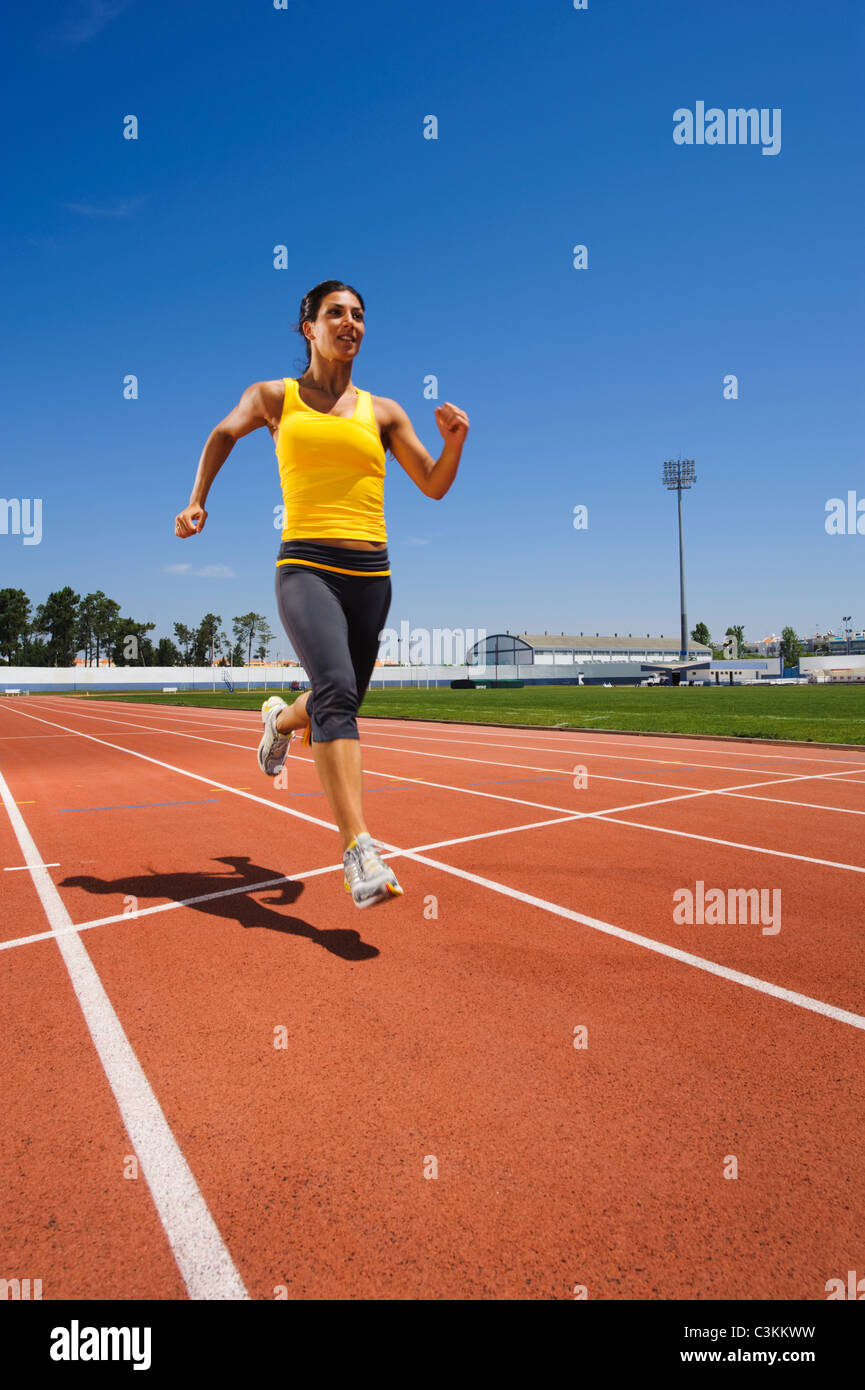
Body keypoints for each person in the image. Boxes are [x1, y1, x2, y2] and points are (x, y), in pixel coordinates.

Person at [174, 279, 469, 907]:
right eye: (336, 313)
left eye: (359, 315)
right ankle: (359, 851)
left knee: (341, 695)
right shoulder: (275, 398)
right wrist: (198, 499)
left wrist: (455, 445)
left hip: (372, 576)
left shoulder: (383, 412)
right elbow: (223, 434)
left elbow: (435, 486)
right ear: (307, 327)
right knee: (339, 699)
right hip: (305, 565)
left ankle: (279, 721)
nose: (350, 323)